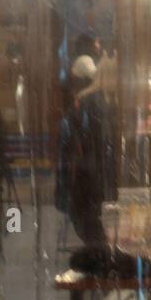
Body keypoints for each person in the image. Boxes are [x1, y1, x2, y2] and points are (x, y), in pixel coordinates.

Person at [54, 55, 116, 246]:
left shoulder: (88, 101)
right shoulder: (91, 103)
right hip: (91, 179)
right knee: (98, 231)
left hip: (91, 176)